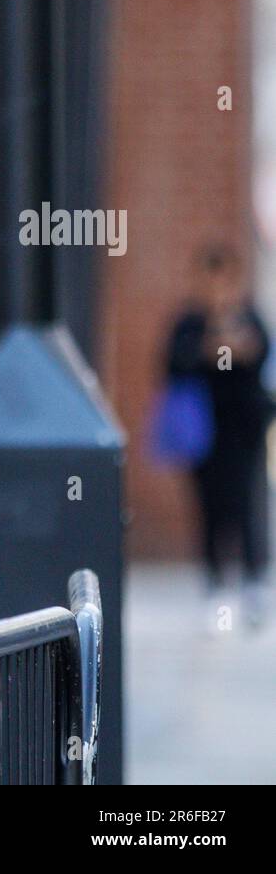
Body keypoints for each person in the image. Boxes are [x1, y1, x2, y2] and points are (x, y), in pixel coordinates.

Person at [167, 244, 273, 630]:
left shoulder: (249, 317)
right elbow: (176, 363)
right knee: (210, 508)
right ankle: (215, 586)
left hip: (243, 431)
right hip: (203, 433)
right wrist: (215, 345)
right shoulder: (190, 323)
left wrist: (228, 345)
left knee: (247, 505)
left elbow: (257, 357)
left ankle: (252, 584)